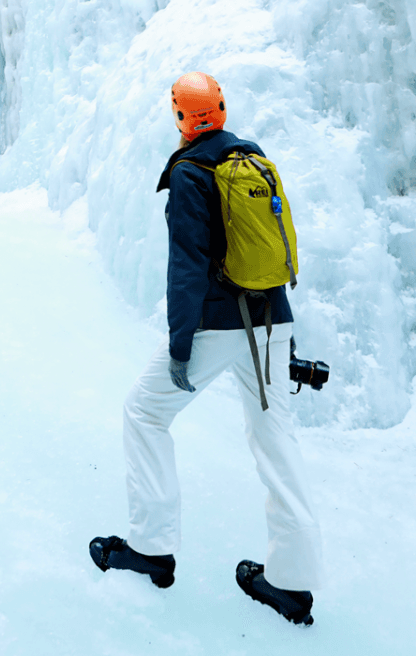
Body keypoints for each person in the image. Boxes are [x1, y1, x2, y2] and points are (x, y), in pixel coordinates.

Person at [89, 72, 323, 626]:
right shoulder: (251, 155)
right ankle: (292, 584)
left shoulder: (191, 172)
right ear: (220, 109)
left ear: (180, 118)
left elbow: (187, 269)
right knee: (276, 441)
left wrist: (178, 346)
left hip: (217, 325)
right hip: (271, 321)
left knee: (144, 412)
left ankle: (151, 549)